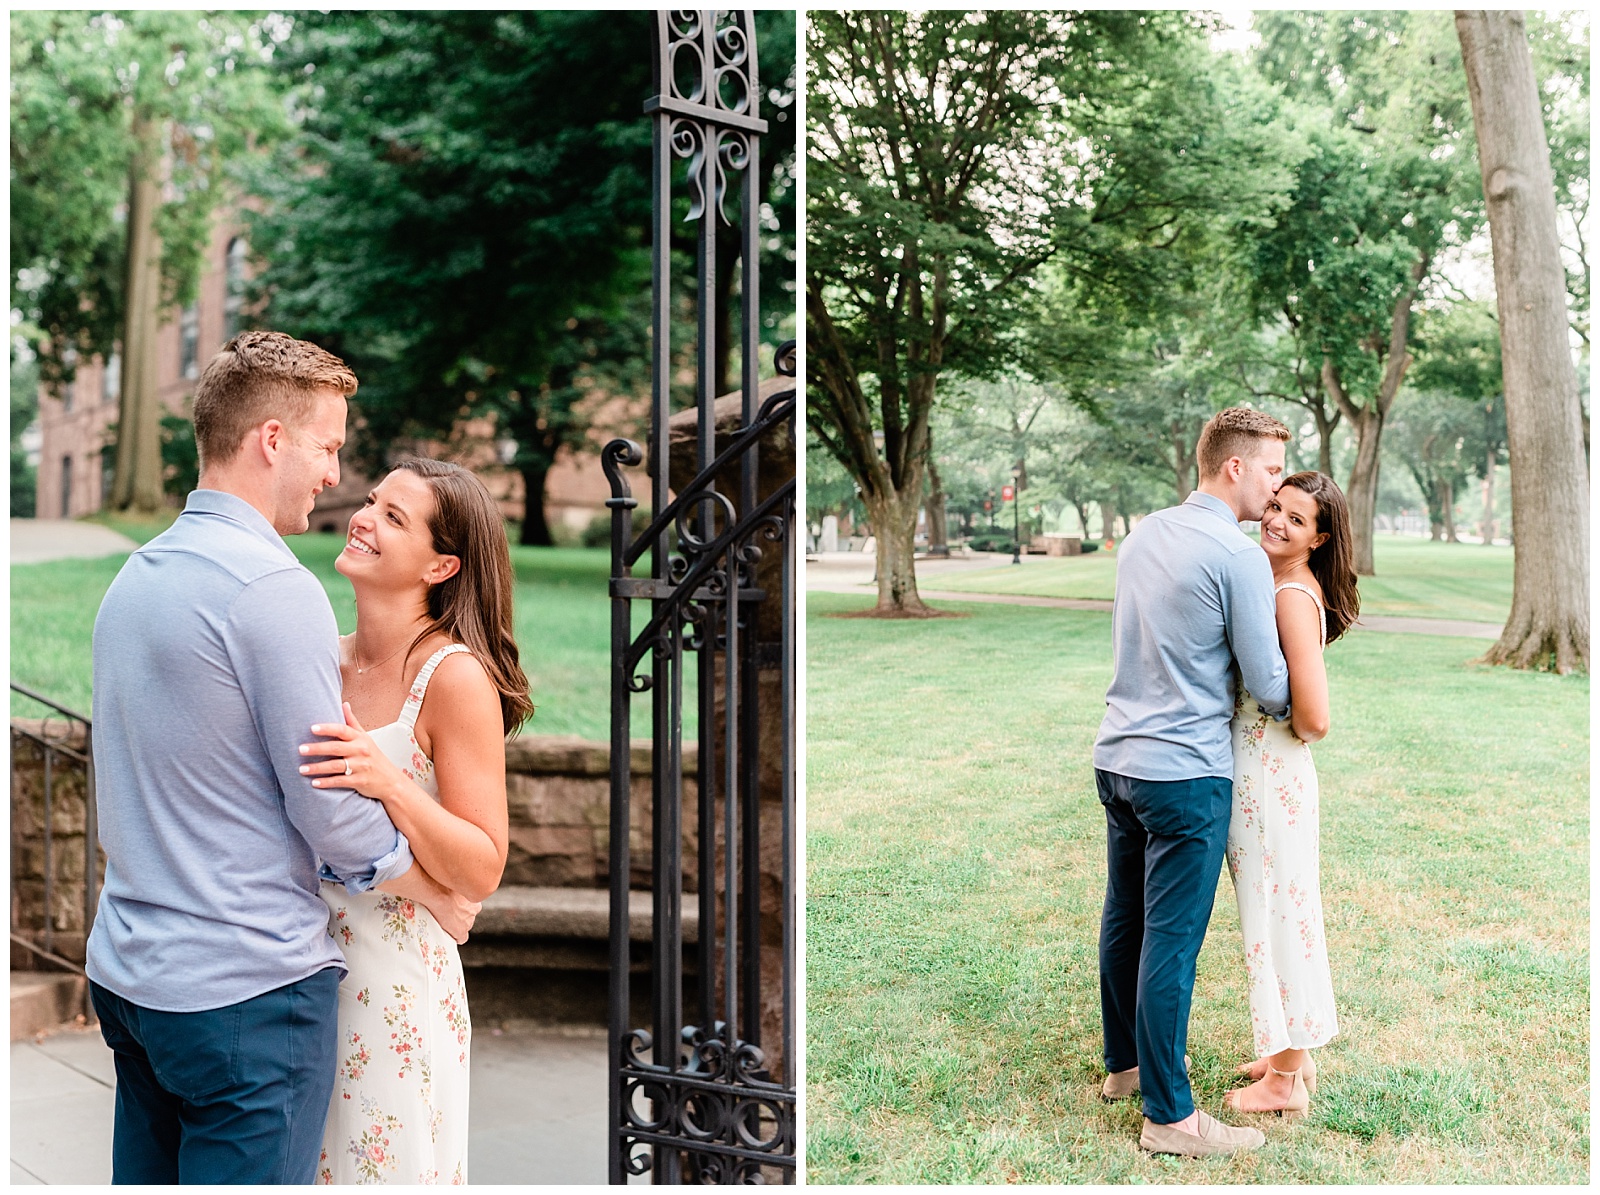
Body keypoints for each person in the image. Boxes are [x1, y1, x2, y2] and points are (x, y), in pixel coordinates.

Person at [86, 331, 475, 1185]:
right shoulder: (273, 589)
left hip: (130, 976)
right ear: (272, 439)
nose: (335, 475)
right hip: (244, 997)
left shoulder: (135, 578)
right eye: (329, 447)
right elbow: (330, 807)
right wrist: (435, 891)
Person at [298, 457, 533, 1185]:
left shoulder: (453, 677)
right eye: (371, 501)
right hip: (297, 976)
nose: (363, 517)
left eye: (393, 516)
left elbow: (483, 863)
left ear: (442, 564)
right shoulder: (319, 659)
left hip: (392, 994)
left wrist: (388, 782)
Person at [1092, 407, 1293, 1158]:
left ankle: (1126, 1066)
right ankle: (1170, 1117)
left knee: (1125, 919)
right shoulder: (1236, 555)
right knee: (1170, 942)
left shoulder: (1142, 533)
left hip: (1117, 758)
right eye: (1272, 469)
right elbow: (1270, 683)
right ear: (1234, 466)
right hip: (1185, 773)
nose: (1275, 487)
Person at [1222, 472, 1357, 1118]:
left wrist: (1265, 725)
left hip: (1271, 777)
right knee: (1282, 913)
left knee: (1280, 918)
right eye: (1274, 506)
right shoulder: (1276, 583)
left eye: (1296, 519)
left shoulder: (1291, 597)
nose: (1275, 520)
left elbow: (1316, 718)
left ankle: (1285, 1080)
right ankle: (1285, 1054)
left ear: (1319, 537)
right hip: (1264, 777)